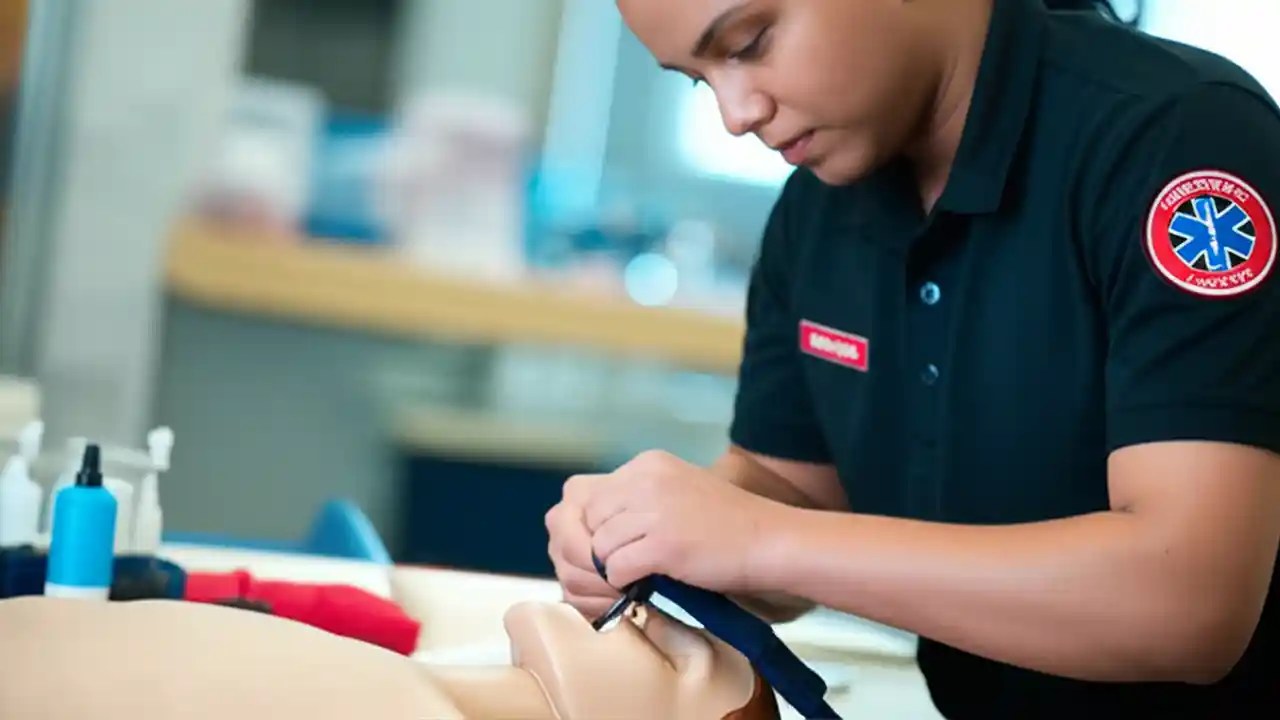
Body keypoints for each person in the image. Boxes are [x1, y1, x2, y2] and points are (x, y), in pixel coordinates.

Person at [544, 0, 1280, 716]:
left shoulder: (1180, 139)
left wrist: (760, 540)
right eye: (700, 80)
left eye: (747, 43)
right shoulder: (816, 209)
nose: (736, 115)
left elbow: (1188, 603)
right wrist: (649, 537)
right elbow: (788, 489)